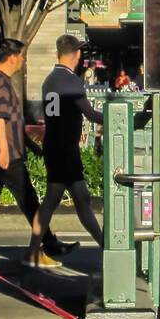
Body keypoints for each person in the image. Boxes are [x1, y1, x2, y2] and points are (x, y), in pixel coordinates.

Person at [0, 38, 70, 265]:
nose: (23, 59)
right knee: (28, 200)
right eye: (21, 55)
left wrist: (30, 145)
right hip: (5, 153)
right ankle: (44, 244)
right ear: (12, 57)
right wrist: (4, 150)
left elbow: (12, 121)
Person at [27, 35, 105, 266]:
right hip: (66, 150)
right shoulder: (72, 82)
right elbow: (90, 114)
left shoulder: (49, 80)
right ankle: (32, 252)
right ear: (77, 55)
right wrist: (117, 117)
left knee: (79, 198)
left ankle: (104, 244)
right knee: (58, 200)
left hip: (53, 146)